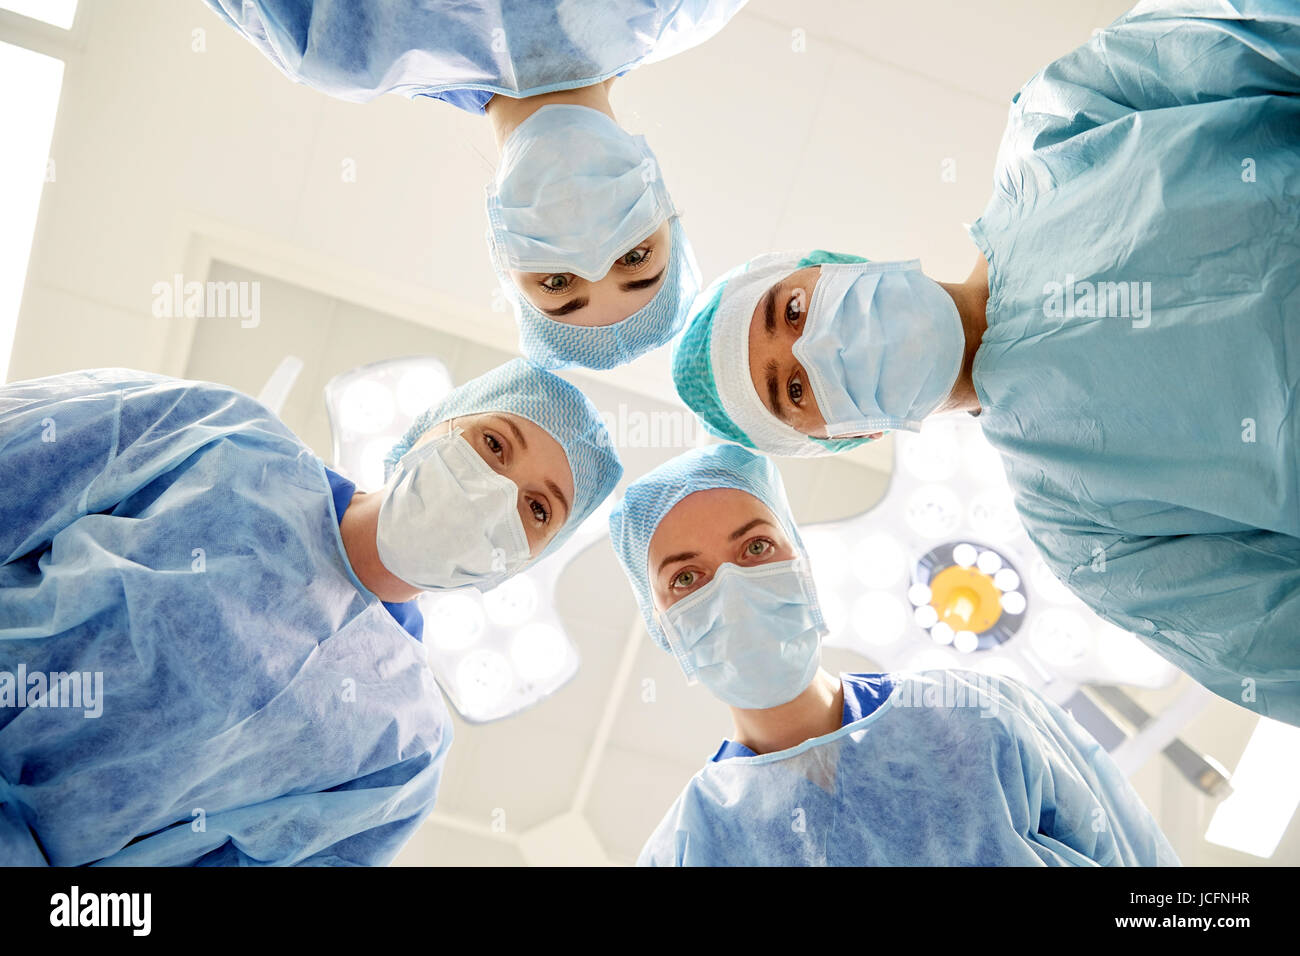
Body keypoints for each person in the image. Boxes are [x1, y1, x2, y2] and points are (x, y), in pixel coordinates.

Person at [669, 0, 1300, 724]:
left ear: (833, 265)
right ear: (854, 434)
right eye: (797, 387)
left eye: (792, 312)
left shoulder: (1070, 122)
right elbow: (1277, 645)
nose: (820, 344)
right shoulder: (1084, 529)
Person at [0, 360, 620, 865]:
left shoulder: (402, 754)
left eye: (539, 510)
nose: (496, 494)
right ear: (431, 425)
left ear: (523, 564)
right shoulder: (217, 437)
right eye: (492, 444)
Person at [608, 443, 1179, 866]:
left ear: (802, 565)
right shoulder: (688, 849)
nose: (731, 589)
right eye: (687, 578)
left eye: (756, 546)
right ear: (664, 630)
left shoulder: (974, 712)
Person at [203, 0, 746, 368]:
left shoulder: (338, 52)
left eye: (557, 284)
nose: (589, 247)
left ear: (502, 253)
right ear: (665, 206)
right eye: (635, 258)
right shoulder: (687, 8)